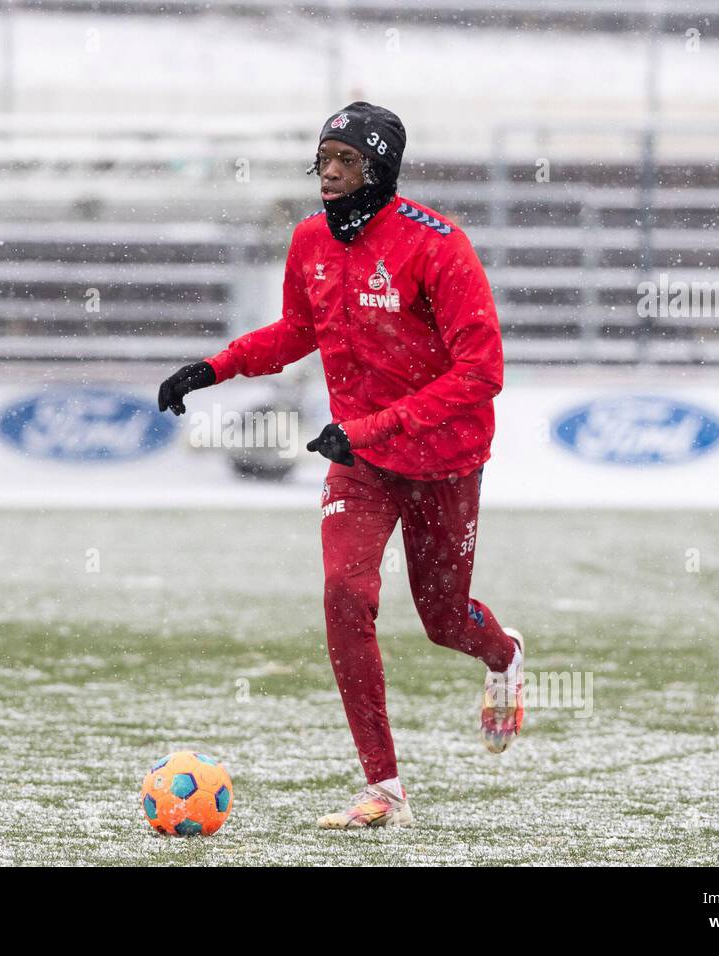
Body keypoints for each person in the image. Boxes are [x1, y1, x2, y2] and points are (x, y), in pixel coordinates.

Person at [157, 102, 524, 829]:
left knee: (445, 620)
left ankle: (505, 654)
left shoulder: (440, 247)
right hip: (359, 462)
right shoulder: (308, 241)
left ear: (379, 168)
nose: (328, 172)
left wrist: (375, 426)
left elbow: (482, 373)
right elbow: (297, 330)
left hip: (445, 459)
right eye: (322, 156)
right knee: (343, 594)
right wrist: (215, 367)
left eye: (346, 160)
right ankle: (384, 789)